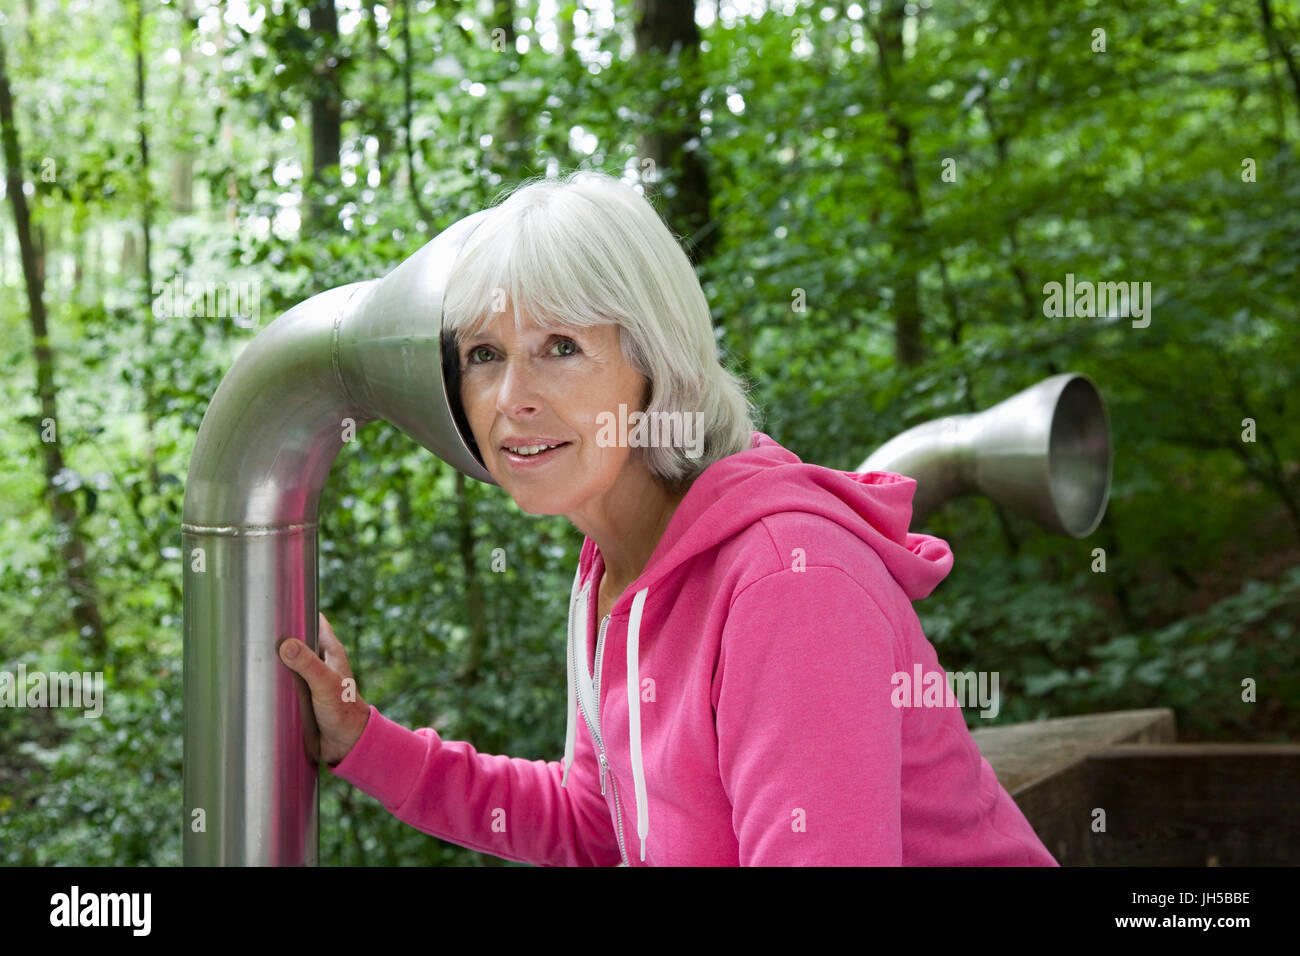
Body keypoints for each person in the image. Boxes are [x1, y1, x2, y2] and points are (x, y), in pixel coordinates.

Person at [277, 169, 1058, 867]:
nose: (511, 396)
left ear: (658, 366)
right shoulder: (612, 570)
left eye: (560, 345)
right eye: (483, 353)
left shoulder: (790, 583)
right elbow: (594, 824)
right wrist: (363, 739)